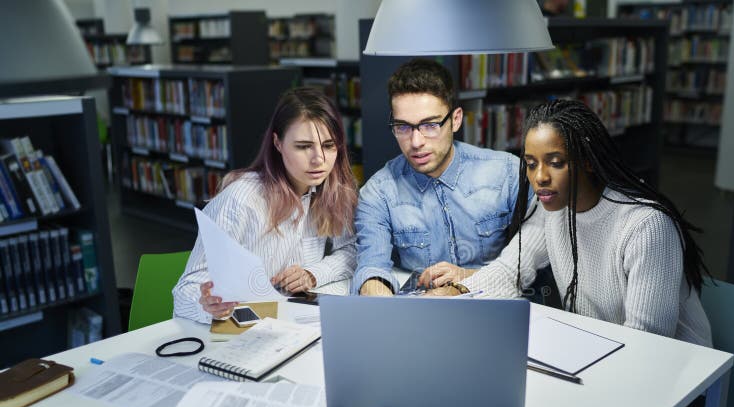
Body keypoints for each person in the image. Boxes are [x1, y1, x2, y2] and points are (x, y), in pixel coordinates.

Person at [439, 98, 712, 348]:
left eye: (555, 162)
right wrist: (453, 293)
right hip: (599, 350)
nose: (540, 177)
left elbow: (647, 343)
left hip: (678, 371)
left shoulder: (646, 226)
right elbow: (511, 270)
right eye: (531, 164)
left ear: (588, 161)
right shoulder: (553, 208)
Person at [173, 87, 359, 323]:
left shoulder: (333, 190)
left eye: (329, 145)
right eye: (303, 146)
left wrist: (313, 274)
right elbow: (185, 292)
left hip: (292, 324)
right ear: (277, 143)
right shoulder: (240, 200)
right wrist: (209, 306)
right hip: (236, 329)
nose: (319, 159)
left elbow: (352, 250)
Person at [354, 58, 527, 296]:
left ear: (456, 120)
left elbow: (534, 262)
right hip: (422, 310)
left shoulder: (507, 172)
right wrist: (381, 298)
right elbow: (371, 267)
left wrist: (466, 279)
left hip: (497, 303)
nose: (416, 142)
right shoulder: (378, 192)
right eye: (403, 127)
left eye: (430, 125)